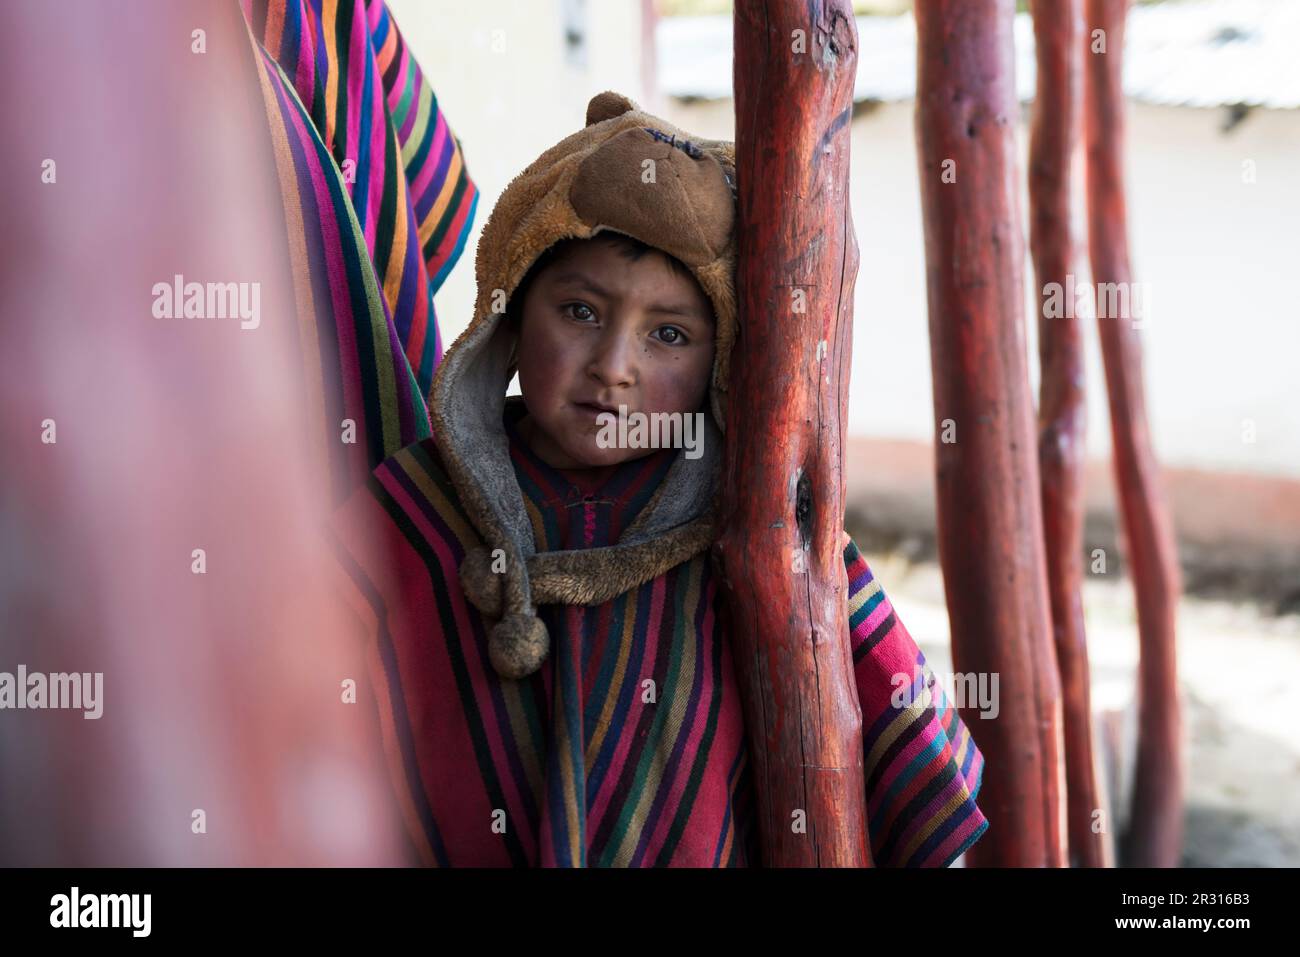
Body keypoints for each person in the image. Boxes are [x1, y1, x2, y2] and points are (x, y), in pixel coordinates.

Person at [328, 91, 988, 867]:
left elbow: (904, 751)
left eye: (669, 334)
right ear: (509, 314)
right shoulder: (413, 511)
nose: (613, 366)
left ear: (721, 363)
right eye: (578, 311)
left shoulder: (764, 528)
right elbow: (283, 721)